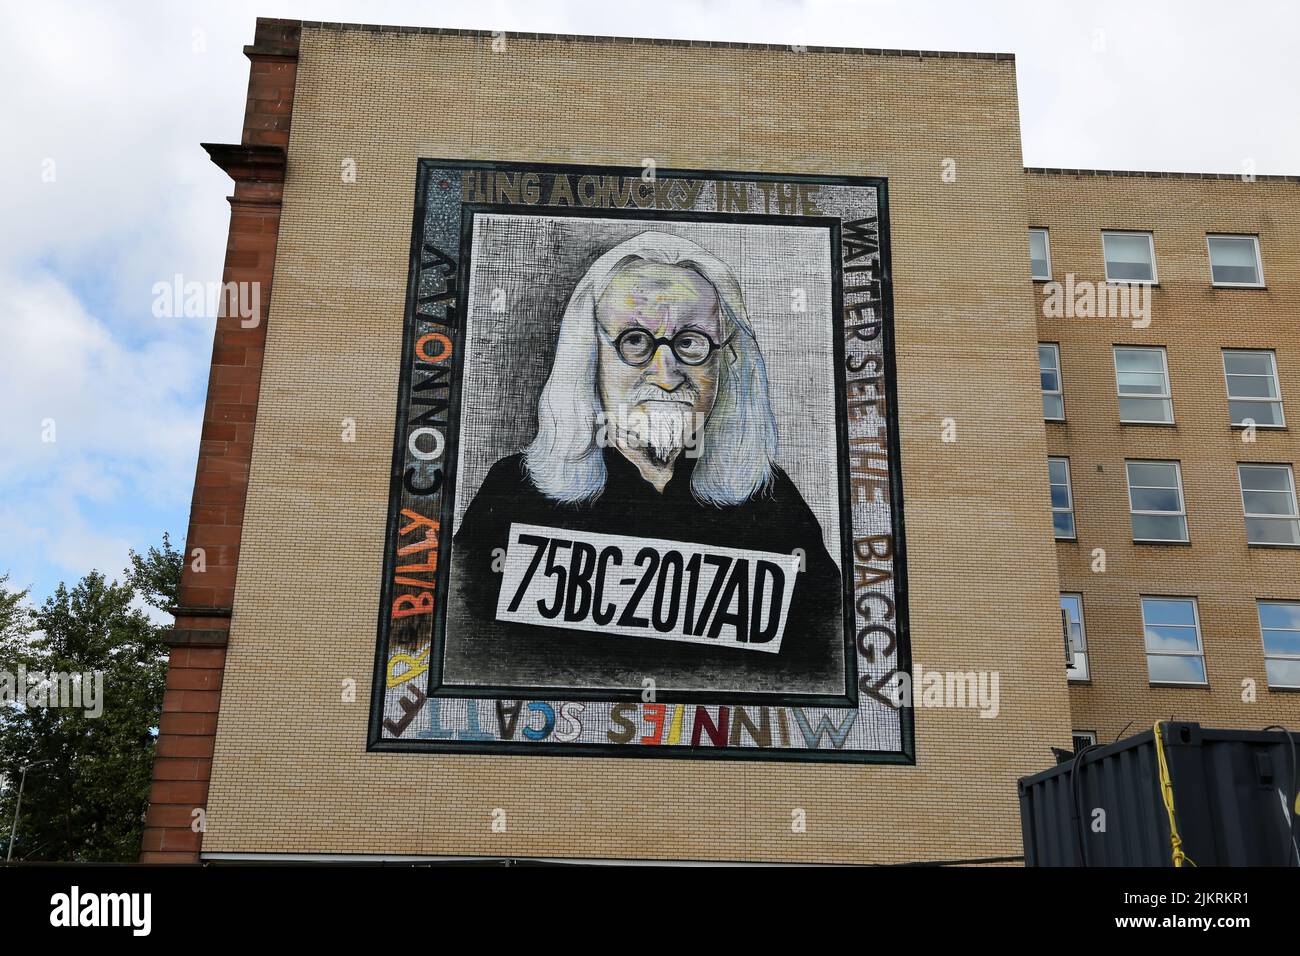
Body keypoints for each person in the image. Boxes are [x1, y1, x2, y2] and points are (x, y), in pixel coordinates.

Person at [447, 231, 844, 695]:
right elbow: (462, 655)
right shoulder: (516, 493)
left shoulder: (774, 506)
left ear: (726, 362)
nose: (666, 372)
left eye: (691, 342)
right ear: (589, 356)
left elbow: (826, 669)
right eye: (635, 341)